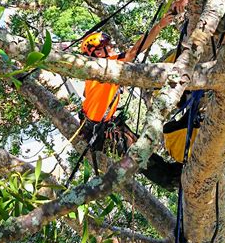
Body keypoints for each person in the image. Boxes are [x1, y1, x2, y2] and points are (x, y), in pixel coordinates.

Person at [79, 17, 184, 188]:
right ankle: (169, 179)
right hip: (101, 129)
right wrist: (158, 26)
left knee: (140, 148)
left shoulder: (93, 71)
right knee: (139, 153)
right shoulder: (106, 67)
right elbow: (134, 51)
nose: (112, 48)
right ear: (98, 53)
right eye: (107, 47)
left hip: (101, 126)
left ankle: (171, 174)